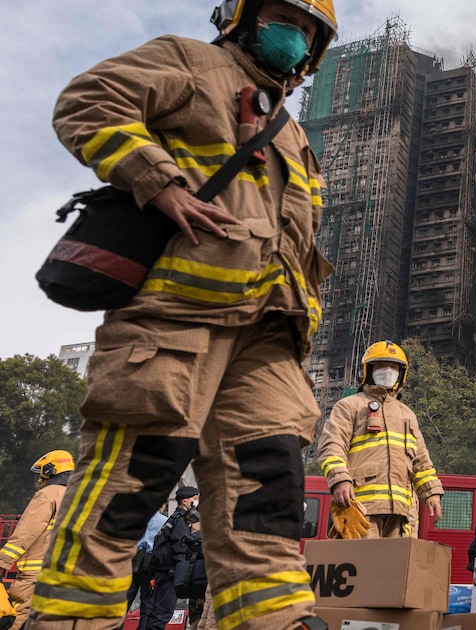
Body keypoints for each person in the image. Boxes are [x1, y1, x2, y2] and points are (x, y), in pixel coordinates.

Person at [35, 2, 338, 628]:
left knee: (268, 498)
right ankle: (70, 620)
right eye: (285, 17)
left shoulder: (291, 131)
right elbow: (89, 100)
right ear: (243, 16)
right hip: (176, 323)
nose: (296, 35)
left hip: (269, 340)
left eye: (309, 30)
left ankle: (272, 621)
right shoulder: (192, 63)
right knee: (126, 492)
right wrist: (158, 179)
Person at [318, 341, 444, 537]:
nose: (387, 371)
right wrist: (340, 480)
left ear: (402, 374)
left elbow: (421, 461)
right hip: (361, 508)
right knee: (362, 565)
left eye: (393, 367)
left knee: (398, 567)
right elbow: (331, 446)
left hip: (402, 514)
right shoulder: (350, 406)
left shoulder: (407, 415)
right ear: (369, 370)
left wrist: (432, 493)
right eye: (380, 366)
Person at [0, 450, 73, 628]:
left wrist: (3, 562)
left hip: (37, 575)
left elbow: (27, 532)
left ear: (49, 471)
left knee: (13, 620)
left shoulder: (47, 495)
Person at [140, 487, 200, 630]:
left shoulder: (174, 518)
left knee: (156, 611)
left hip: (164, 571)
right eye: (195, 498)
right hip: (170, 572)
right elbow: (180, 545)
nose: (197, 501)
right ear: (185, 501)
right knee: (163, 612)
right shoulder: (180, 520)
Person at [128, 504, 170, 611]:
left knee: (126, 596)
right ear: (162, 506)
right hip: (151, 561)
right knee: (148, 600)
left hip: (133, 559)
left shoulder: (135, 519)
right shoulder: (165, 521)